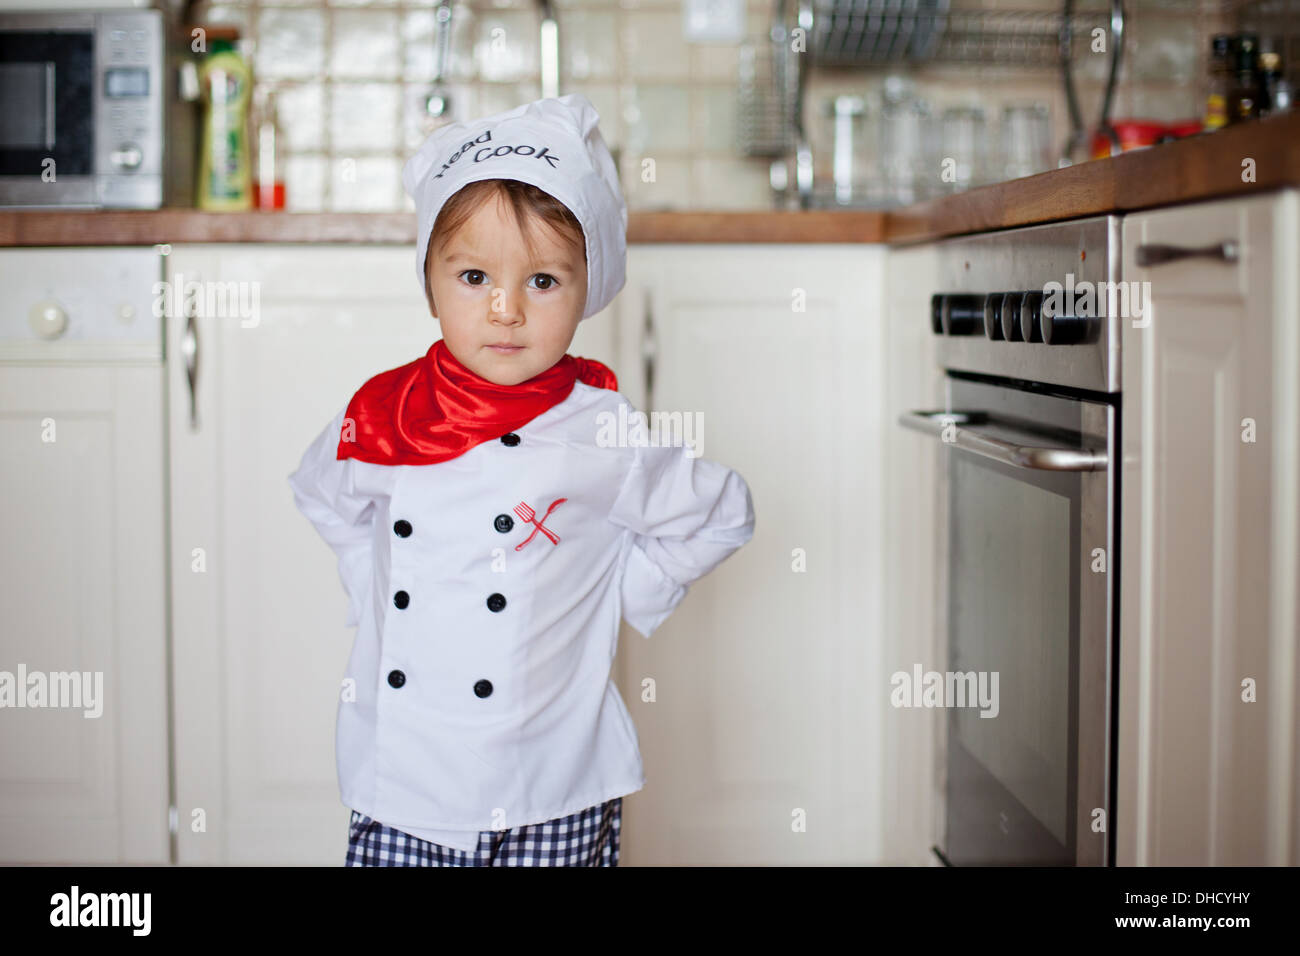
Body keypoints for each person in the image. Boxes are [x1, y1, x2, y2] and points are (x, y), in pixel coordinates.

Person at [287, 94, 756, 866]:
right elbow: (321, 495)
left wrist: (624, 591)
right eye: (474, 276)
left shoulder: (602, 428)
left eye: (542, 282)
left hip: (553, 785)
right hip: (402, 787)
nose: (505, 311)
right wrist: (374, 582)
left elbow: (722, 512)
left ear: (587, 288)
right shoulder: (380, 414)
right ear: (431, 283)